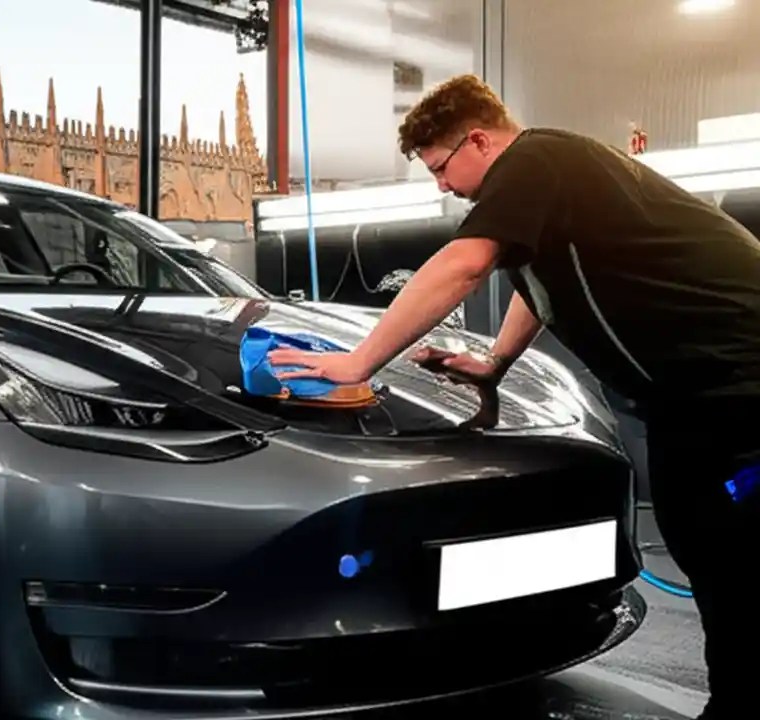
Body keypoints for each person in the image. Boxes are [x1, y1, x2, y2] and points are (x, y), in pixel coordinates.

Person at [267, 74, 759, 719]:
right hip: (688, 403)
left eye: (441, 167)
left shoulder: (537, 158)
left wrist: (356, 361)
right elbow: (537, 282)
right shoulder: (553, 186)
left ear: (479, 140)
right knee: (703, 545)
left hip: (741, 391)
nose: (441, 186)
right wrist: (494, 361)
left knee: (736, 557)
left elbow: (464, 263)